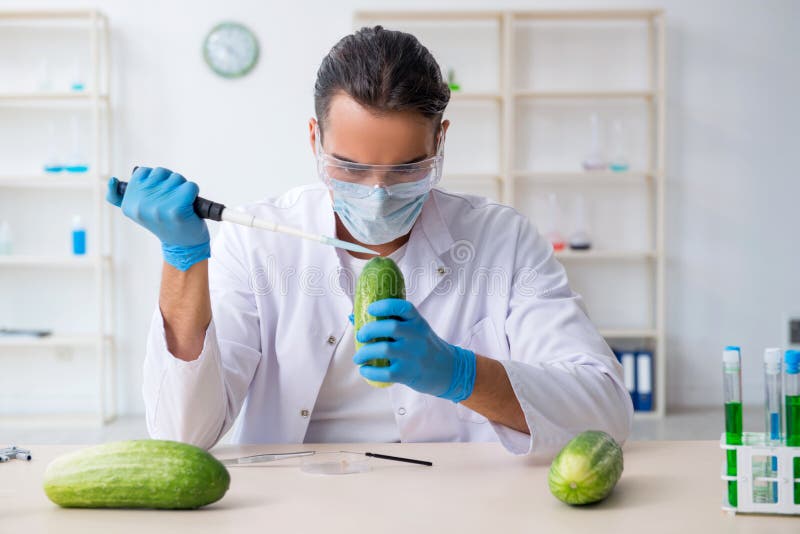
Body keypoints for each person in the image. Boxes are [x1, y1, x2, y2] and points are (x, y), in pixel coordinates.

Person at [107, 26, 632, 458]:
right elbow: (181, 435)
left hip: (459, 502)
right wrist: (183, 261)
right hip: (297, 503)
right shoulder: (256, 243)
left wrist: (461, 373)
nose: (378, 194)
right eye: (351, 168)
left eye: (407, 168)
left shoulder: (502, 240)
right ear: (315, 139)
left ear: (440, 141)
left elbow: (604, 412)